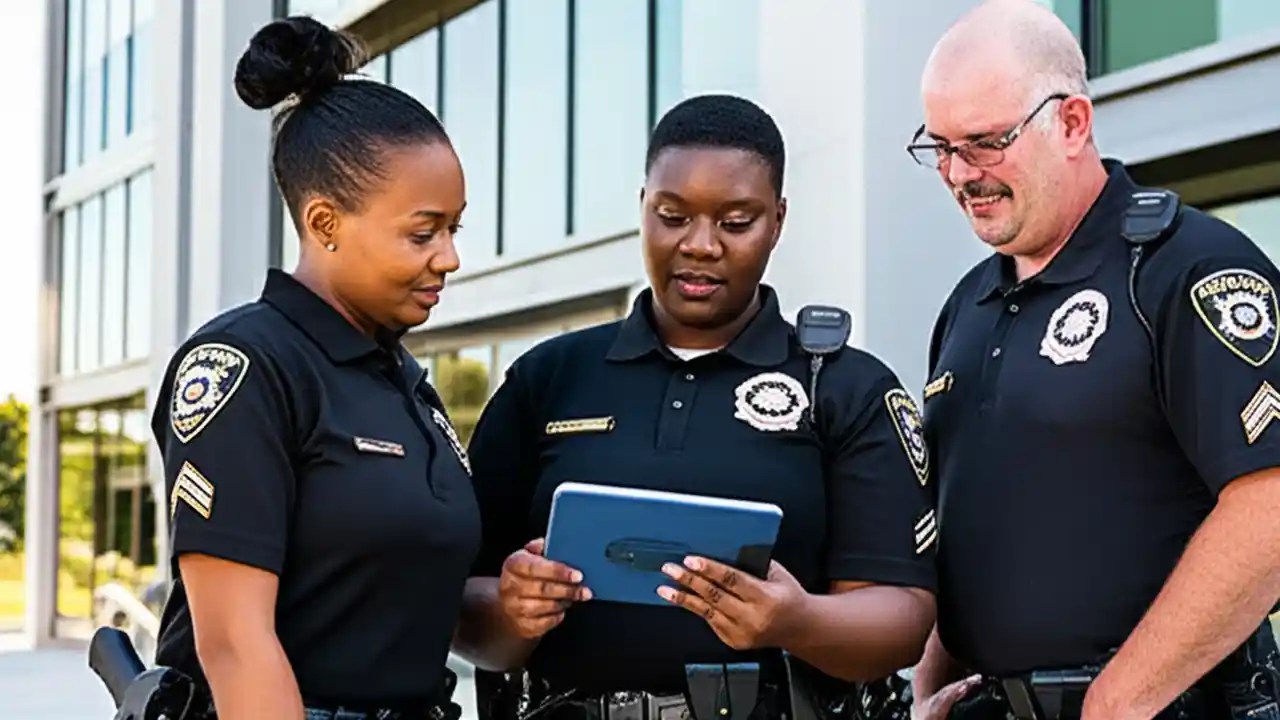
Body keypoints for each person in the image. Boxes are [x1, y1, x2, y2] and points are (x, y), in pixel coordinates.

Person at [451, 93, 937, 719]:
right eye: (673, 216)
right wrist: (515, 611)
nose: (700, 245)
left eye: (736, 222)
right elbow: (457, 601)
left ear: (778, 220)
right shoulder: (549, 378)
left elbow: (904, 619)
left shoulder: (844, 388)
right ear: (643, 209)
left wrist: (795, 621)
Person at [904, 1, 1280, 718]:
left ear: (1072, 123)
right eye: (940, 146)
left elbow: (1270, 502)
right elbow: (963, 517)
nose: (957, 174)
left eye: (984, 142)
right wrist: (927, 687)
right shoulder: (967, 304)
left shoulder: (1184, 269)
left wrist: (1115, 703)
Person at [148, 16, 477, 720]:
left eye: (455, 229)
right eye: (423, 232)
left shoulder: (409, 387)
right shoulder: (249, 367)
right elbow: (235, 645)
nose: (449, 257)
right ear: (325, 223)